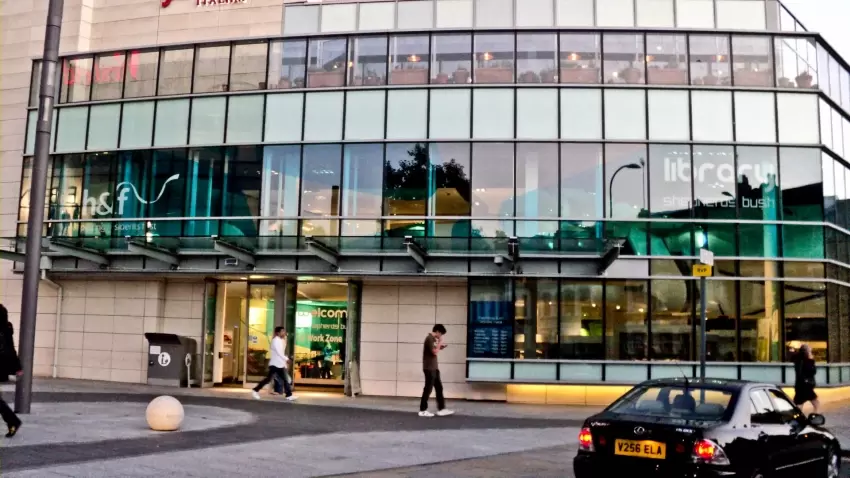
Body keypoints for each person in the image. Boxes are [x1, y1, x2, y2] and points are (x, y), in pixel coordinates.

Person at [252, 327, 296, 401]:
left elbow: (282, 350)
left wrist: (285, 340)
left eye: (284, 331)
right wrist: (287, 359)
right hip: (275, 364)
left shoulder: (281, 340)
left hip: (279, 364)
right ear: (277, 333)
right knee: (269, 379)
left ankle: (289, 395)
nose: (284, 333)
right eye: (282, 331)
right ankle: (255, 390)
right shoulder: (275, 341)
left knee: (285, 379)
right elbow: (279, 353)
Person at [419, 324, 453, 417]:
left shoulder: (433, 340)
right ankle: (422, 409)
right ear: (437, 331)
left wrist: (440, 346)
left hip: (434, 368)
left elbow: (435, 349)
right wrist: (440, 343)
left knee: (439, 388)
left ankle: (441, 409)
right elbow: (434, 352)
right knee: (428, 389)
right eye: (441, 334)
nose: (441, 336)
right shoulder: (429, 338)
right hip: (429, 368)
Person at [0, 305, 22, 437]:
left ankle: (13, 421)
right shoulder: (6, 328)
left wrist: (17, 367)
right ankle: (13, 421)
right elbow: (11, 349)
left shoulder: (4, 330)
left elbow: (10, 349)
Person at [793, 344, 819, 413]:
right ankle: (814, 417)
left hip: (800, 385)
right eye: (810, 352)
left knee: (800, 403)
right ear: (807, 352)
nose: (811, 353)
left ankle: (798, 418)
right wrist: (811, 360)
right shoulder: (807, 361)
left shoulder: (799, 360)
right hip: (805, 386)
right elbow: (812, 372)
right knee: (815, 403)